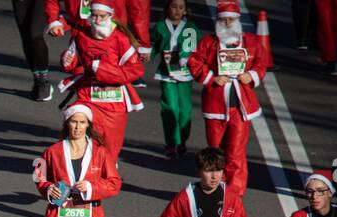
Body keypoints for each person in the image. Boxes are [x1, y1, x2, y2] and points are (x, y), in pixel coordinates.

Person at [187, 1, 272, 200]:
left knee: (235, 153)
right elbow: (193, 61)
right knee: (215, 152)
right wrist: (211, 77)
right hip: (215, 107)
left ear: (238, 20)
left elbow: (261, 62)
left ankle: (234, 194)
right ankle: (216, 190)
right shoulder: (208, 42)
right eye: (223, 20)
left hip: (241, 108)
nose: (227, 23)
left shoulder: (251, 41)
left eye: (231, 19)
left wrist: (251, 75)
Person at [58, 4, 144, 164]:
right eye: (94, 15)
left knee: (111, 146)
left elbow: (136, 70)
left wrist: (103, 70)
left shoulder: (120, 39)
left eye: (101, 16)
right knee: (86, 136)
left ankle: (109, 173)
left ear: (111, 16)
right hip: (88, 96)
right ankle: (83, 170)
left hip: (114, 103)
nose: (97, 20)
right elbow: (71, 61)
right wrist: (66, 60)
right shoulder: (81, 36)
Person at [153, 0, 201, 158]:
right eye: (174, 7)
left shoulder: (191, 28)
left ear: (186, 11)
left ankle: (182, 140)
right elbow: (152, 44)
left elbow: (198, 49)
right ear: (167, 8)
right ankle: (171, 144)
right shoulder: (160, 26)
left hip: (185, 75)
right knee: (170, 108)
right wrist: (144, 56)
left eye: (181, 8)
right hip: (166, 74)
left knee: (185, 111)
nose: (177, 10)